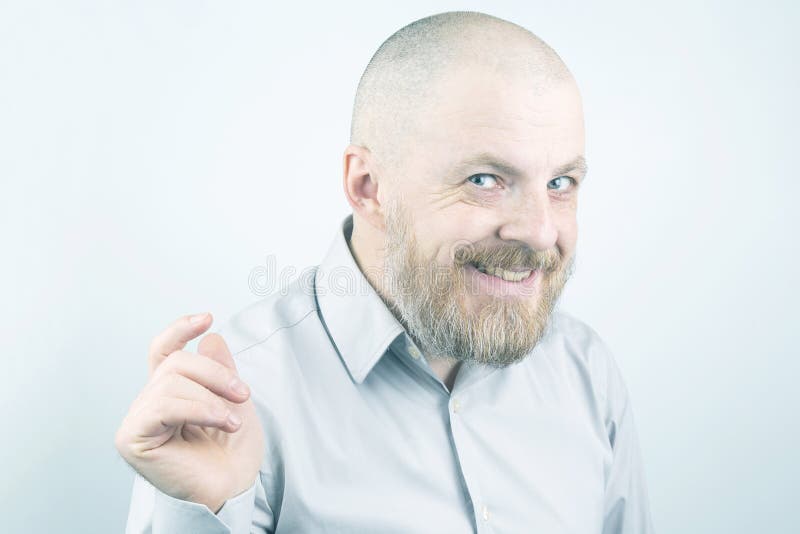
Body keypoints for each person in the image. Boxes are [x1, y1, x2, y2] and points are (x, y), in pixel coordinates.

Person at [115, 10, 655, 533]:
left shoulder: (586, 373)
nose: (540, 233)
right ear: (368, 187)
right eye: (485, 179)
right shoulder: (235, 401)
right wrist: (203, 515)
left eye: (561, 183)